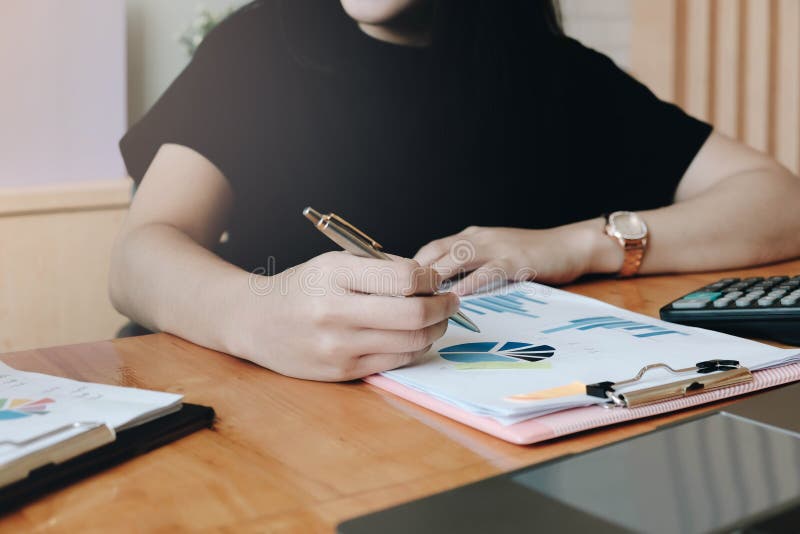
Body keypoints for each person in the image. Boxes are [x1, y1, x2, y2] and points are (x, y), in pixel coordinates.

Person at [111, 0, 800, 382]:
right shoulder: (258, 44)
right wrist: (253, 313)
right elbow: (138, 256)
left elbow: (779, 200)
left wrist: (577, 245)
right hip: (280, 429)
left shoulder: (561, 76)